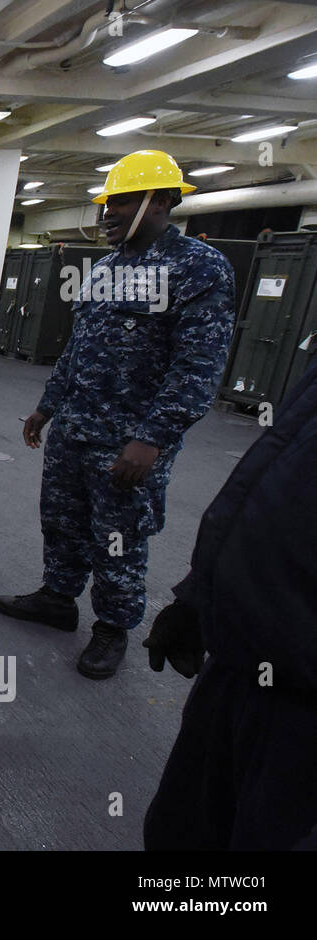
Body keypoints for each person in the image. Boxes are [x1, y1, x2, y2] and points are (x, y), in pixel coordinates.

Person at [0, 150, 236, 679]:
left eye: (121, 202)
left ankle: (113, 628)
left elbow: (198, 366)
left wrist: (152, 438)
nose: (108, 213)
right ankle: (58, 598)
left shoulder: (198, 267)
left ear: (160, 203)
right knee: (62, 521)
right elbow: (80, 346)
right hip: (76, 427)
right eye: (107, 202)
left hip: (128, 442)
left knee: (119, 535)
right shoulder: (105, 268)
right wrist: (47, 406)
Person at [142, 363, 317, 849]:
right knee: (180, 832)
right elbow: (271, 476)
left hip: (301, 700)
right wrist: (202, 595)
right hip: (243, 657)